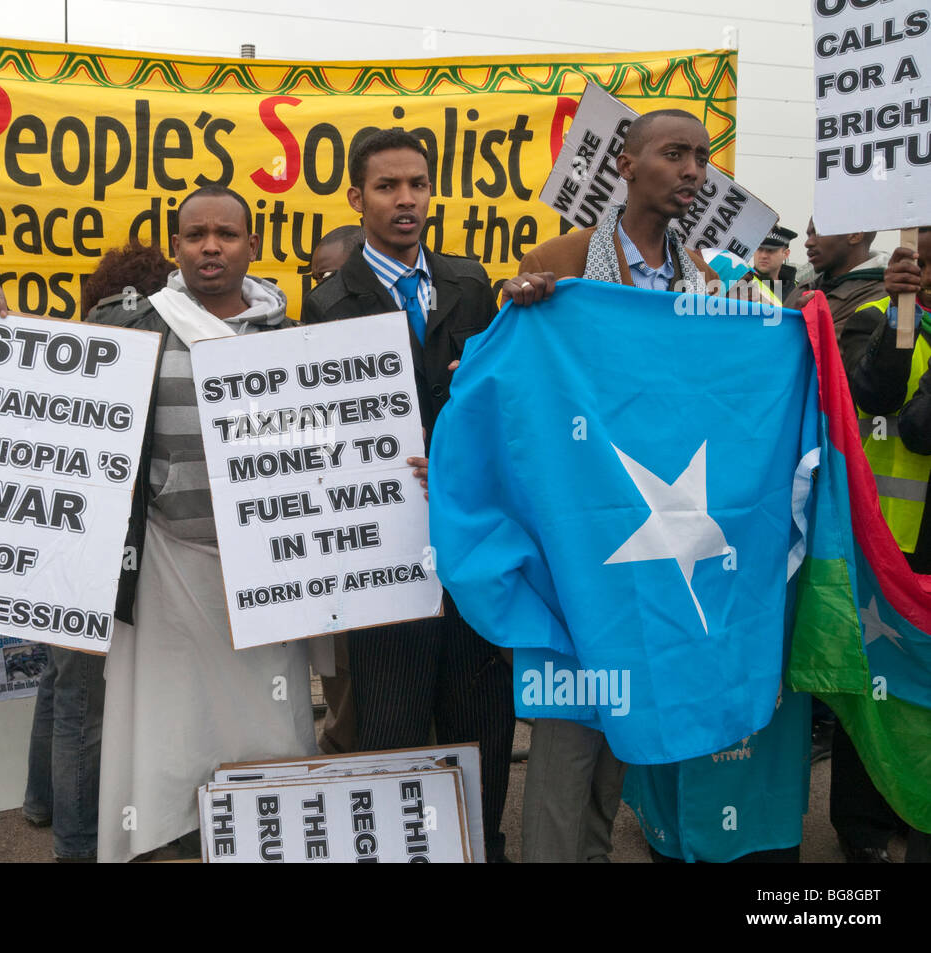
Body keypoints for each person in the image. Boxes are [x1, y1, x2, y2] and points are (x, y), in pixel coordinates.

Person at [499, 109, 727, 863]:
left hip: (656, 535)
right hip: (578, 542)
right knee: (567, 741)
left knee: (618, 737)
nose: (693, 170)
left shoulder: (699, 279)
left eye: (701, 157)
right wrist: (518, 306)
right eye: (674, 154)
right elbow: (512, 392)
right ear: (625, 166)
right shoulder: (561, 261)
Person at [85, 186, 318, 863]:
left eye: (225, 234)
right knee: (165, 731)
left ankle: (264, 844)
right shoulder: (131, 326)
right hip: (163, 559)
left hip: (264, 572)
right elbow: (55, 393)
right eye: (194, 235)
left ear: (252, 244)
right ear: (176, 246)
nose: (210, 246)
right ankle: (163, 844)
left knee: (269, 723)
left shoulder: (290, 337)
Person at [301, 129, 514, 861]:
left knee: (481, 712)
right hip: (381, 546)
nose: (406, 199)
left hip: (471, 538)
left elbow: (501, 402)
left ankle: (481, 842)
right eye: (388, 186)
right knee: (390, 717)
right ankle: (394, 849)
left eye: (417, 184)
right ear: (357, 197)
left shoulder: (471, 282)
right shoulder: (329, 303)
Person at [20, 242, 175, 862]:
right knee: (87, 699)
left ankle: (43, 802)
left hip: (62, 541)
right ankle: (78, 845)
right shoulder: (160, 340)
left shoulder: (70, 348)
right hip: (121, 545)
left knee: (65, 683)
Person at [836, 226, 931, 864]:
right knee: (880, 683)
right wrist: (901, 308)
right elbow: (883, 402)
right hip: (895, 536)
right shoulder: (885, 312)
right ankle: (863, 825)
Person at [301, 225, 364, 756]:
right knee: (340, 659)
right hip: (331, 531)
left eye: (332, 276)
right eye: (314, 277)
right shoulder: (302, 338)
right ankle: (343, 743)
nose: (320, 289)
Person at [784, 220, 885, 340]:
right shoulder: (803, 288)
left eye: (818, 232)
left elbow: (838, 355)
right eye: (809, 234)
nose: (808, 243)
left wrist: (794, 329)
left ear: (855, 235)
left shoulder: (880, 296)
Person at [753, 225, 798, 301]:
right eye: (759, 249)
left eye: (770, 250)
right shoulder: (742, 285)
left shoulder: (797, 289)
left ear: (786, 254)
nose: (763, 256)